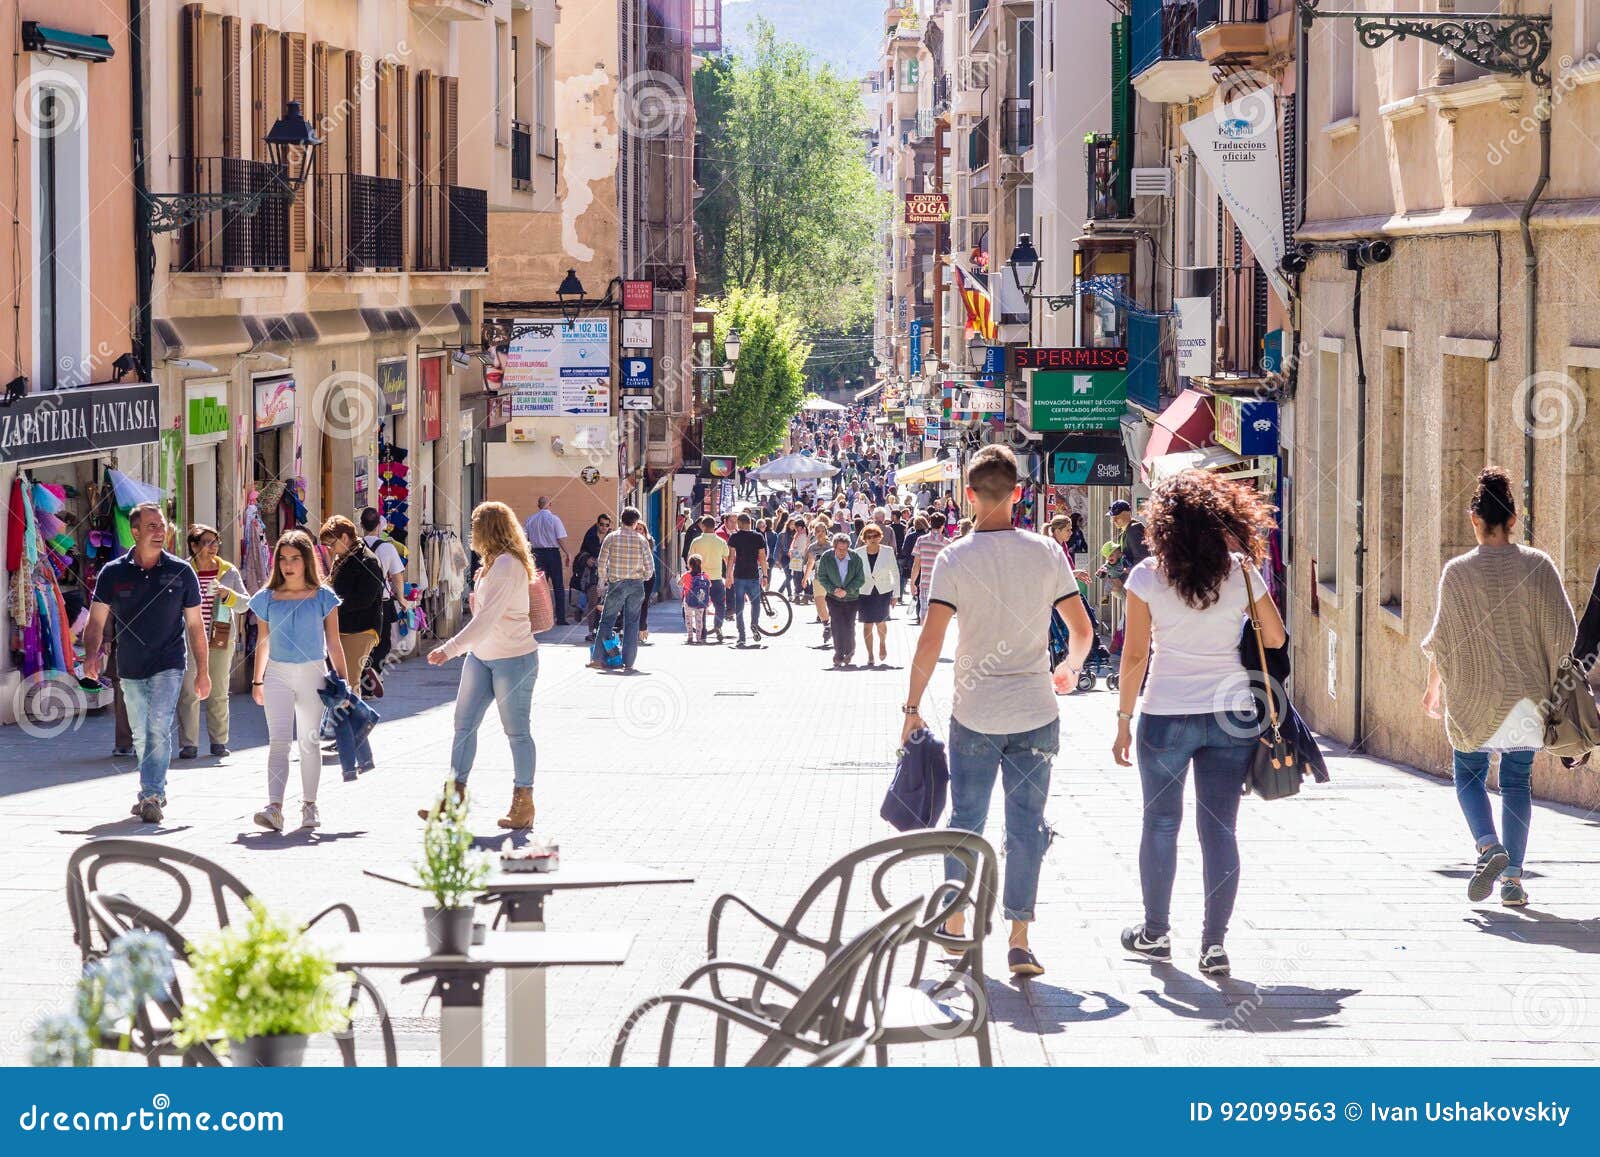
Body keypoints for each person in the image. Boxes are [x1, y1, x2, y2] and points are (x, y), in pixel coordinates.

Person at [901, 446, 1092, 978]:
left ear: (968, 494)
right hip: (1035, 708)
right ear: (1018, 493)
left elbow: (930, 639)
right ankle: (1020, 940)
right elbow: (1081, 631)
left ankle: (957, 925)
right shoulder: (1048, 553)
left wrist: (912, 708)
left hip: (976, 711)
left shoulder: (954, 558)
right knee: (1026, 826)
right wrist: (1070, 670)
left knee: (965, 820)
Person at [1111, 470, 1285, 978]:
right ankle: (1214, 946)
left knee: (1161, 823)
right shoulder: (1242, 572)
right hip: (1231, 714)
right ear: (1220, 522)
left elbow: (1136, 654)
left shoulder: (1146, 576)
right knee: (1220, 829)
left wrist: (1123, 719)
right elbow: (1274, 638)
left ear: (1163, 526)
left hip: (1165, 712)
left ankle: (1156, 933)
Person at [1421, 467, 1575, 909]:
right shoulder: (1538, 566)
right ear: (1514, 519)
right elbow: (1563, 634)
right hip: (1526, 697)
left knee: (1468, 774)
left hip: (1473, 697)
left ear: (1475, 520)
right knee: (1517, 782)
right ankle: (1512, 880)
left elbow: (1443, 641)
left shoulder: (1457, 572)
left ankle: (1489, 846)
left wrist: (1434, 689)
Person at [82, 503, 208, 824]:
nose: (159, 531)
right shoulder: (113, 573)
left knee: (158, 723)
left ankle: (151, 794)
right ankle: (152, 790)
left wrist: (203, 671)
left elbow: (195, 626)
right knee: (140, 732)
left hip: (169, 661)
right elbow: (96, 622)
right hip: (130, 664)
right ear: (134, 532)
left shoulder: (181, 571)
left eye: (161, 525)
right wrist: (91, 658)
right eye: (150, 526)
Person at [424, 502, 541, 830]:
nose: (471, 532)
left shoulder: (506, 565)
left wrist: (449, 649)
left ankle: (524, 802)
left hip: (513, 659)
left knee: (517, 732)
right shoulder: (490, 566)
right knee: (463, 725)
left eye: (475, 525)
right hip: (482, 657)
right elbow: (484, 614)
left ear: (487, 529)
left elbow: (487, 620)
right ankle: (453, 799)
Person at [248, 531, 347, 833]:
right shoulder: (266, 598)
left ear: (307, 561)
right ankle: (274, 807)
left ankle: (309, 804)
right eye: (283, 558)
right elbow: (263, 642)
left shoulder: (322, 596)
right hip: (276, 674)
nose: (288, 565)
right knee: (278, 742)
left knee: (308, 743)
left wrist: (344, 683)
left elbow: (333, 642)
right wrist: (257, 681)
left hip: (313, 674)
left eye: (295, 558)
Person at [177, 524, 250, 760]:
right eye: (207, 542)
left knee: (219, 689)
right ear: (194, 546)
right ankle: (189, 744)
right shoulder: (184, 570)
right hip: (189, 638)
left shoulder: (228, 572)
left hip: (220, 637)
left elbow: (244, 604)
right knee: (189, 690)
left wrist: (229, 595)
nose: (213, 547)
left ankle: (219, 741)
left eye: (215, 542)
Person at [319, 516, 389, 701]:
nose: (330, 550)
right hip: (341, 627)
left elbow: (363, 600)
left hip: (360, 629)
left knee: (348, 682)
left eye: (332, 544)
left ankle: (353, 726)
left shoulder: (368, 561)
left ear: (344, 537)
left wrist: (332, 607)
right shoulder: (343, 559)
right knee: (337, 680)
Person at [596, 507, 655, 672]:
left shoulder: (611, 537)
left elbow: (602, 561)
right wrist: (642, 577)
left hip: (617, 584)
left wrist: (603, 579)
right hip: (636, 584)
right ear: (636, 523)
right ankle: (628, 662)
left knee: (607, 620)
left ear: (622, 519)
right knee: (632, 622)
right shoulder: (642, 540)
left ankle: (598, 658)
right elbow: (650, 567)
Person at [360, 507, 408, 678]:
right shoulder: (388, 548)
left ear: (361, 524)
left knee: (362, 640)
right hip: (383, 601)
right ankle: (374, 674)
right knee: (383, 642)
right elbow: (397, 576)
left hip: (359, 602)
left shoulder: (354, 545)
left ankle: (364, 674)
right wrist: (401, 598)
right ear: (379, 526)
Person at [816, 532, 866, 668]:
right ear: (834, 547)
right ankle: (838, 653)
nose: (842, 552)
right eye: (839, 549)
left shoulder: (855, 558)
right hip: (833, 598)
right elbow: (821, 576)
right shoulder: (827, 557)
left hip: (851, 598)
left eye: (845, 549)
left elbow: (860, 579)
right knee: (837, 625)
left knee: (849, 625)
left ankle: (849, 650)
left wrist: (847, 590)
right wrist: (833, 590)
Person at [855, 523, 899, 667]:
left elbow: (895, 573)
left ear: (880, 537)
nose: (872, 539)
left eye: (875, 536)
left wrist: (895, 595)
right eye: (869, 537)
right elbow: (855, 574)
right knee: (867, 625)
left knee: (880, 622)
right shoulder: (858, 553)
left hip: (883, 591)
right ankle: (870, 655)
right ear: (864, 538)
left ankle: (882, 643)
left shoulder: (888, 551)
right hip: (865, 591)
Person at [522, 496, 570, 629]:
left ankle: (536, 617)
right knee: (558, 585)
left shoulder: (530, 519)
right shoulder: (555, 519)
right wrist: (567, 553)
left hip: (536, 553)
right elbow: (560, 538)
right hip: (552, 553)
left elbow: (525, 538)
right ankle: (560, 618)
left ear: (538, 505)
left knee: (537, 587)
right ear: (550, 504)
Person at [727, 513, 768, 647]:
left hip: (739, 575)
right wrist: (765, 575)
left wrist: (728, 575)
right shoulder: (758, 536)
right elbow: (762, 557)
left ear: (739, 523)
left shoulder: (734, 537)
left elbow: (731, 558)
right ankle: (754, 624)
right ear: (750, 522)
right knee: (755, 604)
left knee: (739, 606)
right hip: (754, 576)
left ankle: (742, 636)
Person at [688, 515, 731, 643]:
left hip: (700, 580)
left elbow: (690, 560)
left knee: (702, 606)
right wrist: (729, 575)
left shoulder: (696, 542)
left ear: (703, 526)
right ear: (714, 527)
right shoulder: (721, 542)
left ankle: (703, 632)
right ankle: (718, 626)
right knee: (719, 605)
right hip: (717, 578)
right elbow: (727, 558)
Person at [910, 511, 948, 621]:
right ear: (943, 525)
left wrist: (912, 583)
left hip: (925, 584)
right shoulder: (947, 543)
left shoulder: (921, 540)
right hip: (941, 586)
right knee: (939, 620)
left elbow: (916, 565)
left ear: (930, 523)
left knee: (924, 618)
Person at [681, 554, 711, 644]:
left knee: (688, 619)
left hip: (688, 601)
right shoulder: (705, 576)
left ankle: (690, 637)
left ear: (689, 565)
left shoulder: (686, 575)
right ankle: (698, 638)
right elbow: (710, 585)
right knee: (699, 620)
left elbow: (679, 583)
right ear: (700, 564)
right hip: (700, 600)